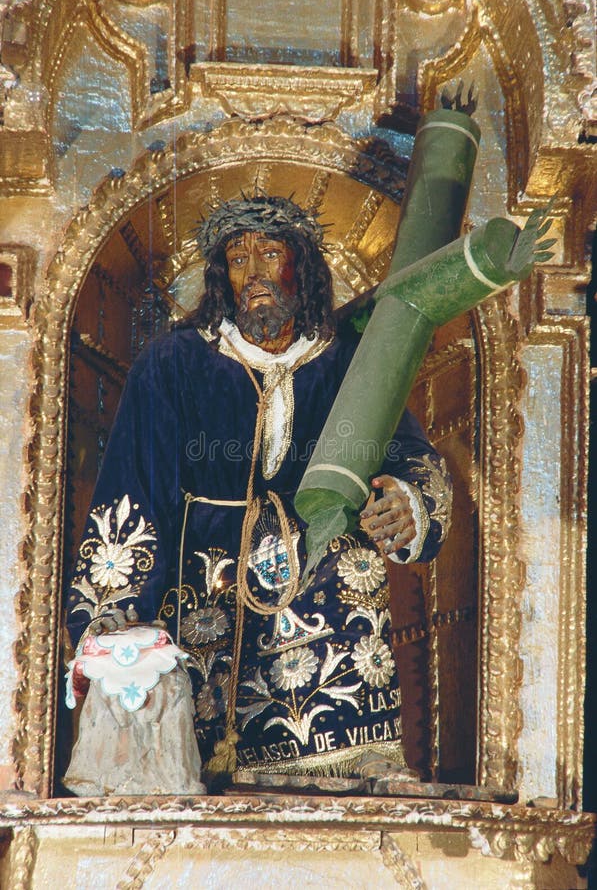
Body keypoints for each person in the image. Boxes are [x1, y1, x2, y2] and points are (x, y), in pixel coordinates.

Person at [65, 194, 452, 784]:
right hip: (207, 597)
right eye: (239, 259)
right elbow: (131, 493)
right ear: (222, 275)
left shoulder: (351, 360)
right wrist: (113, 617)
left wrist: (407, 501)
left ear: (303, 266)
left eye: (271, 254)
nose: (255, 275)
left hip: (327, 599)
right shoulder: (174, 362)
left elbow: (413, 456)